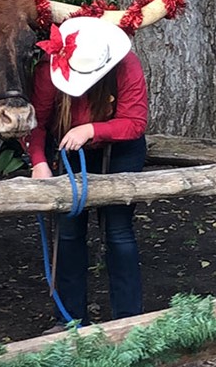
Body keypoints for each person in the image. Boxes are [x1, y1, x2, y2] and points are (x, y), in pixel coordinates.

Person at [26, 16, 149, 327]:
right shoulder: (47, 69)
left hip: (120, 149)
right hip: (67, 150)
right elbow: (36, 122)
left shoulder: (127, 65)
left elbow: (134, 122)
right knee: (68, 234)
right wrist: (38, 160)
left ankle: (127, 319)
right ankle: (69, 319)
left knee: (118, 232)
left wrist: (92, 129)